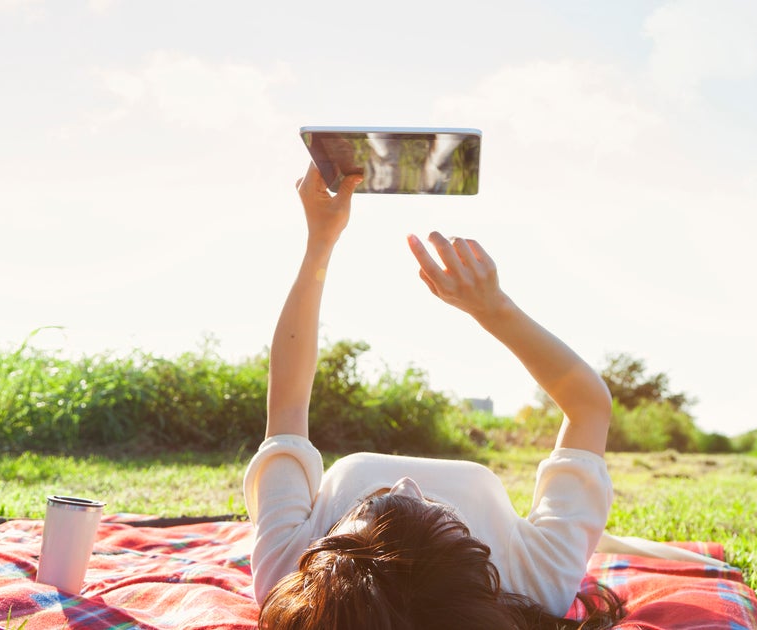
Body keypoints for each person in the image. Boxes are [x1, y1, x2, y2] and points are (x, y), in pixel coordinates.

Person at [243, 163, 624, 629]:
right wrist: (494, 309)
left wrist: (320, 240)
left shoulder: (299, 582)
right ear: (471, 565)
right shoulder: (537, 585)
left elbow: (287, 404)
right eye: (438, 515)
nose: (405, 482)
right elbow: (588, 408)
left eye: (371, 503)